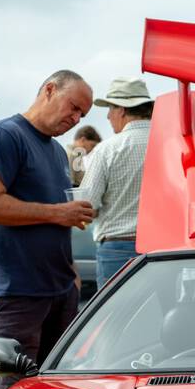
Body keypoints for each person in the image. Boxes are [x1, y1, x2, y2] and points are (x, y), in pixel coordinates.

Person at [0, 69, 95, 389]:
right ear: (50, 90)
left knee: (56, 387)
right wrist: (58, 213)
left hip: (58, 289)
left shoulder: (56, 152)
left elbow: (55, 217)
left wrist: (70, 272)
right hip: (15, 291)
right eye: (73, 107)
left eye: (82, 113)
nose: (76, 118)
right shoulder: (5, 135)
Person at [81, 77, 154, 287]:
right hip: (164, 246)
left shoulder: (107, 149)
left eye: (110, 109)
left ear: (122, 109)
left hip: (117, 249)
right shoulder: (171, 143)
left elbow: (88, 206)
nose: (108, 116)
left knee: (115, 318)